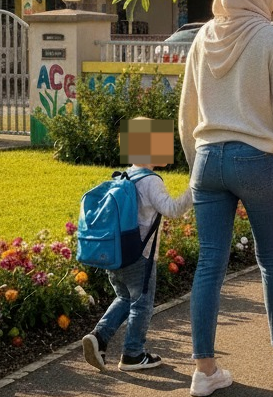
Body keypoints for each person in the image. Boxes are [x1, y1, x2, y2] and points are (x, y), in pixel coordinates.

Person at [179, 0, 273, 397]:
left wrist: (194, 165)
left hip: (207, 159)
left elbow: (186, 114)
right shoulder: (271, 40)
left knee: (209, 265)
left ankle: (204, 370)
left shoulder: (201, 37)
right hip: (257, 160)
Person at [82, 117, 192, 373]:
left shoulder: (125, 175)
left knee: (124, 297)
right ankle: (132, 354)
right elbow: (172, 209)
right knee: (142, 303)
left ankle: (98, 337)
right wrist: (194, 190)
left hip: (117, 255)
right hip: (140, 257)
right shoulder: (151, 180)